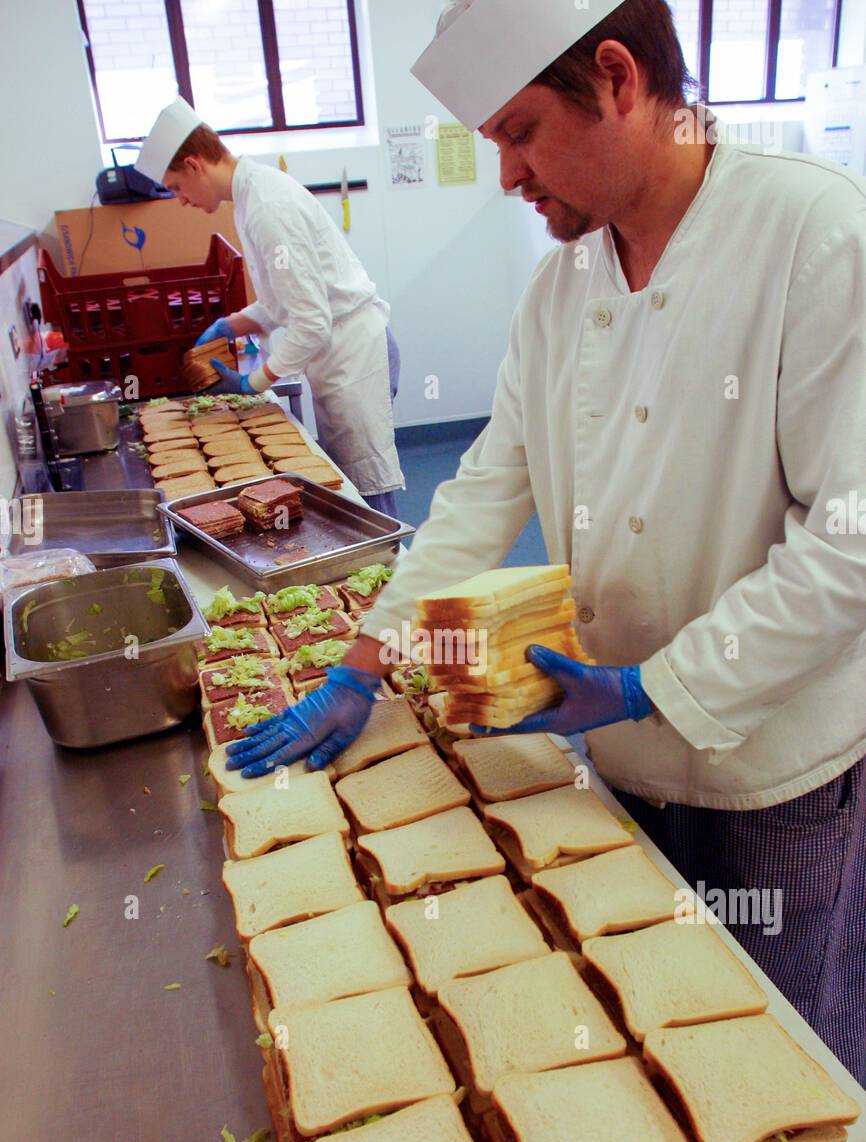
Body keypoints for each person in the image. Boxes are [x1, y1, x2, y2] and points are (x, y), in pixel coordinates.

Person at [227, 0, 866, 1082]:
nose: (508, 178)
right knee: (652, 1032)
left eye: (520, 134)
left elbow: (846, 547)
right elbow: (486, 484)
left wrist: (653, 684)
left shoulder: (813, 236)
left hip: (768, 768)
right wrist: (363, 658)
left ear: (616, 78)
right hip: (616, 753)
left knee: (781, 1058)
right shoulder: (559, 286)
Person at [136, 97, 405, 515]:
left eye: (175, 187)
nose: (181, 200)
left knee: (366, 488)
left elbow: (311, 323)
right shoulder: (249, 198)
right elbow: (283, 301)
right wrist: (235, 323)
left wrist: (253, 384)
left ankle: (396, 576)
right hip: (336, 353)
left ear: (194, 165)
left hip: (353, 353)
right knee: (351, 483)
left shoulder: (266, 207)